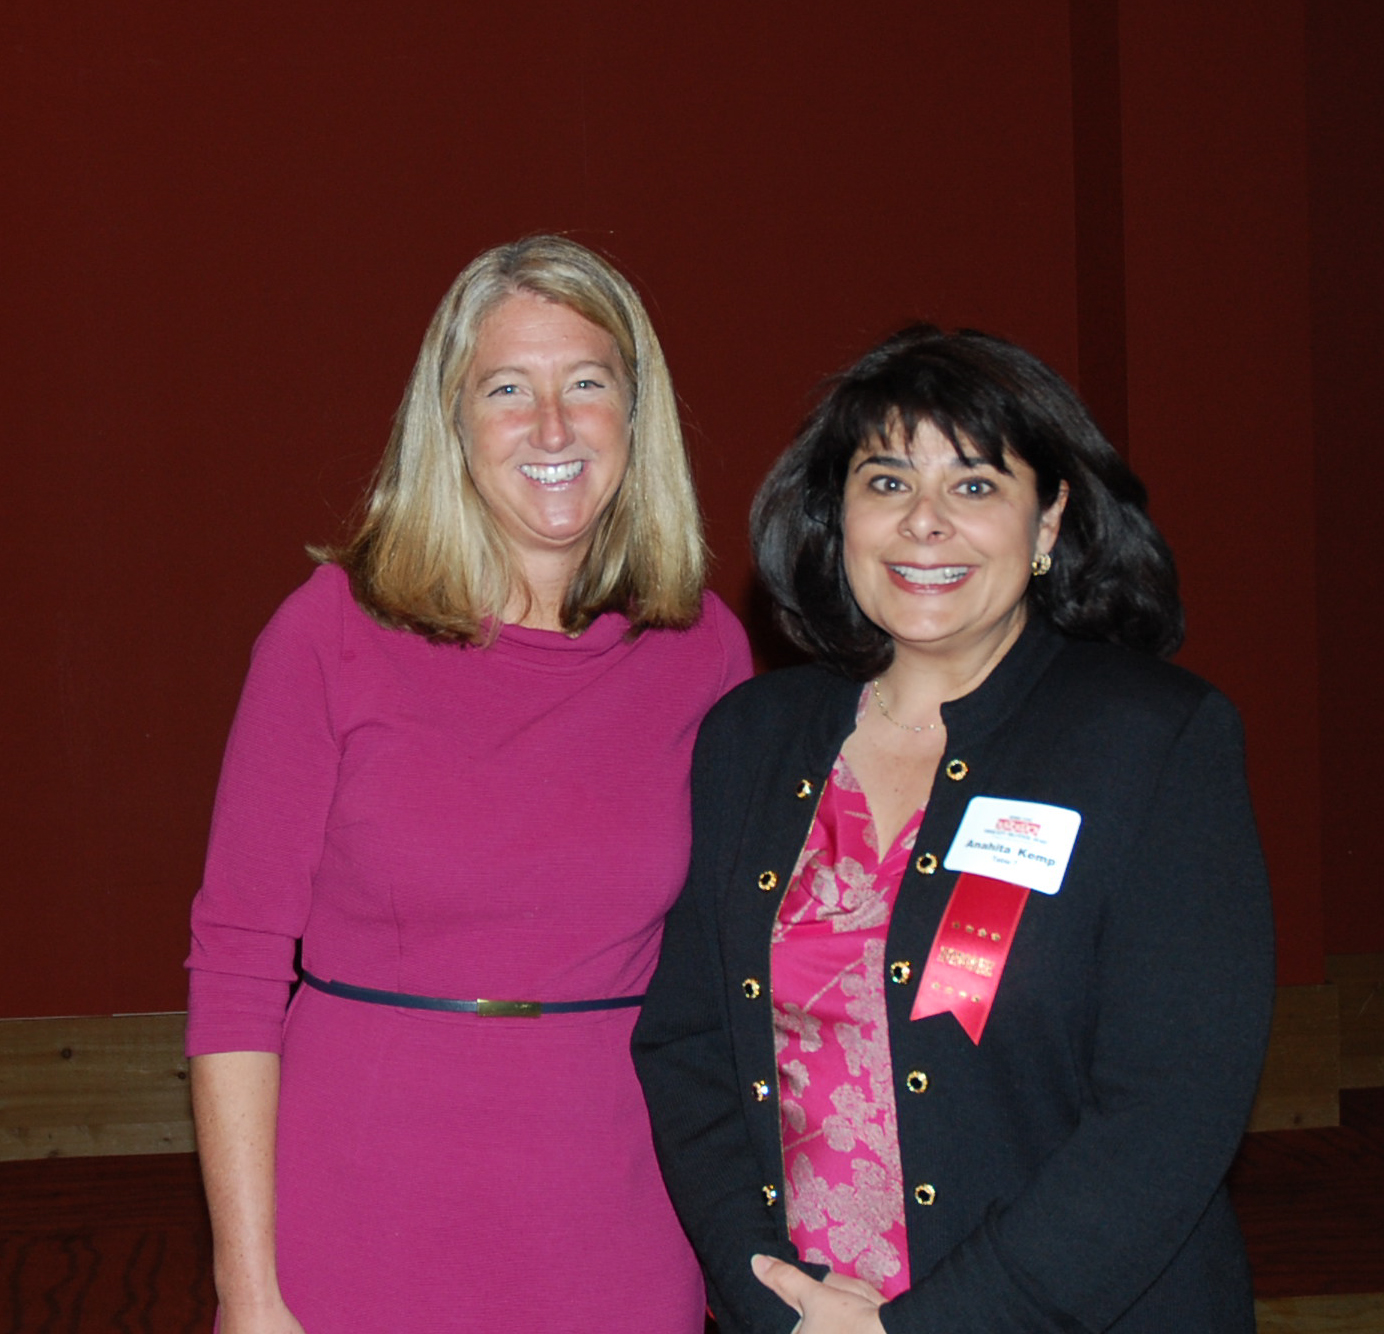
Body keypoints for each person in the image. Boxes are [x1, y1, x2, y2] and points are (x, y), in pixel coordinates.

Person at [632, 323, 1274, 1333]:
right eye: (886, 483)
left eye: (974, 486)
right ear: (835, 516)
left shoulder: (1152, 740)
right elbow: (688, 1044)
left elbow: (1167, 1117)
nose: (923, 523)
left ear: (1050, 517)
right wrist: (774, 1294)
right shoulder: (751, 739)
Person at [185, 235, 751, 1333]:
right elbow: (238, 969)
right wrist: (247, 1288)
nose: (552, 428)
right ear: (449, 422)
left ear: (638, 420)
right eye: (507, 389)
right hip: (362, 1192)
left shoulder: (704, 650)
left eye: (587, 384)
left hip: (620, 1206)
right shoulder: (331, 632)